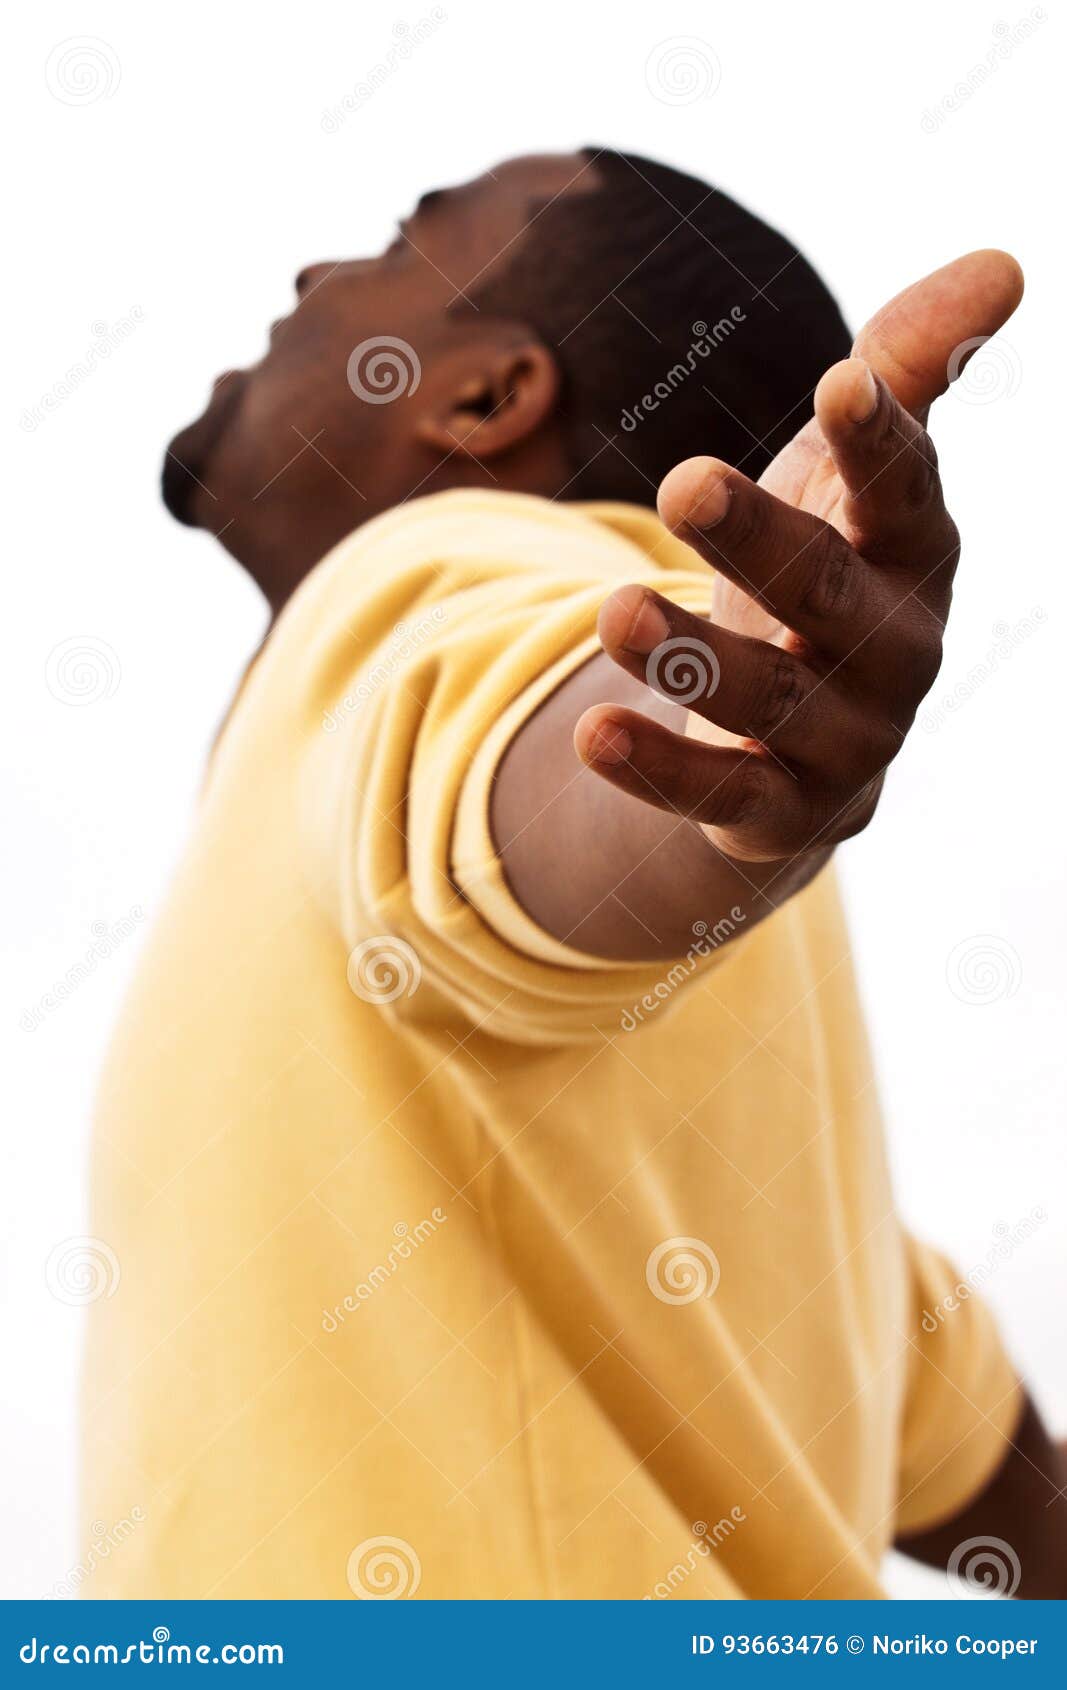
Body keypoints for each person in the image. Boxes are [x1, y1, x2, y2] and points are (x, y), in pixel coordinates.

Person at [83, 148, 1062, 1599]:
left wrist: (690, 729)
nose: (310, 279)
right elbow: (945, 1417)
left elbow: (523, 789)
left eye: (399, 237)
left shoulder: (432, 581)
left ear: (483, 399)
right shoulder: (764, 1073)